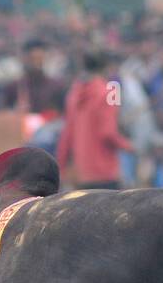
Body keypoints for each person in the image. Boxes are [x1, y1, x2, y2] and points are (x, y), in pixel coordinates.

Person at [57, 51, 134, 190]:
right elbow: (108, 133)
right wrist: (128, 146)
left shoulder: (74, 93)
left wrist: (61, 167)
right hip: (105, 171)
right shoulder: (111, 92)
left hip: (82, 172)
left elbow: (67, 133)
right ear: (107, 67)